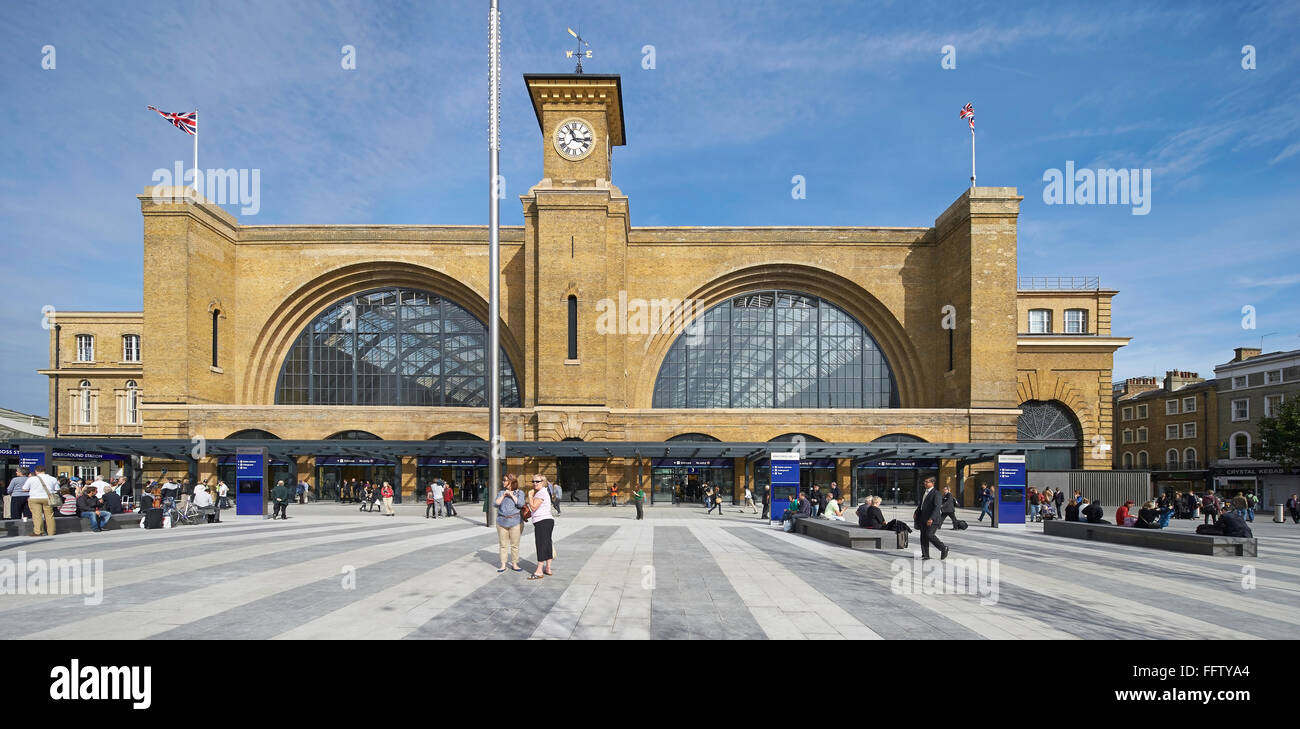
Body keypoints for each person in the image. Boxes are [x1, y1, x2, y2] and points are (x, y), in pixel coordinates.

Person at [528, 475, 556, 580]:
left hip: (542, 522)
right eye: (533, 481)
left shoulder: (541, 492)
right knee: (547, 544)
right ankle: (548, 568)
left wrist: (530, 496)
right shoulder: (543, 492)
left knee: (541, 544)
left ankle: (539, 571)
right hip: (547, 521)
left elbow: (534, 507)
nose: (534, 483)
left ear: (543, 482)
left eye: (537, 481)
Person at [495, 474, 525, 572]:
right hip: (501, 521)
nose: (503, 482)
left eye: (505, 480)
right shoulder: (501, 492)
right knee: (503, 544)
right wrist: (504, 495)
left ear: (511, 482)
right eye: (503, 480)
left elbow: (520, 504)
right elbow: (496, 504)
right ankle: (503, 564)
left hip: (515, 521)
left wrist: (511, 495)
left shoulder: (519, 492)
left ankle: (515, 564)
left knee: (515, 545)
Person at [913, 476, 947, 560]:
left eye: (927, 482)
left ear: (932, 483)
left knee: (929, 535)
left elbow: (937, 507)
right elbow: (921, 504)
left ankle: (943, 548)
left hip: (932, 519)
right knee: (923, 537)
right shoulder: (924, 492)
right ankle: (925, 555)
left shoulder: (936, 493)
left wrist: (931, 518)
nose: (925, 483)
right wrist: (916, 512)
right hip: (923, 518)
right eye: (925, 481)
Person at [25, 465, 59, 537]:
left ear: (36, 471)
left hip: (34, 498)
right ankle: (51, 532)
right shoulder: (53, 479)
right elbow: (57, 489)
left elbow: (24, 488)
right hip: (48, 498)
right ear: (44, 470)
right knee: (50, 515)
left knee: (37, 515)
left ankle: (38, 532)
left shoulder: (32, 479)